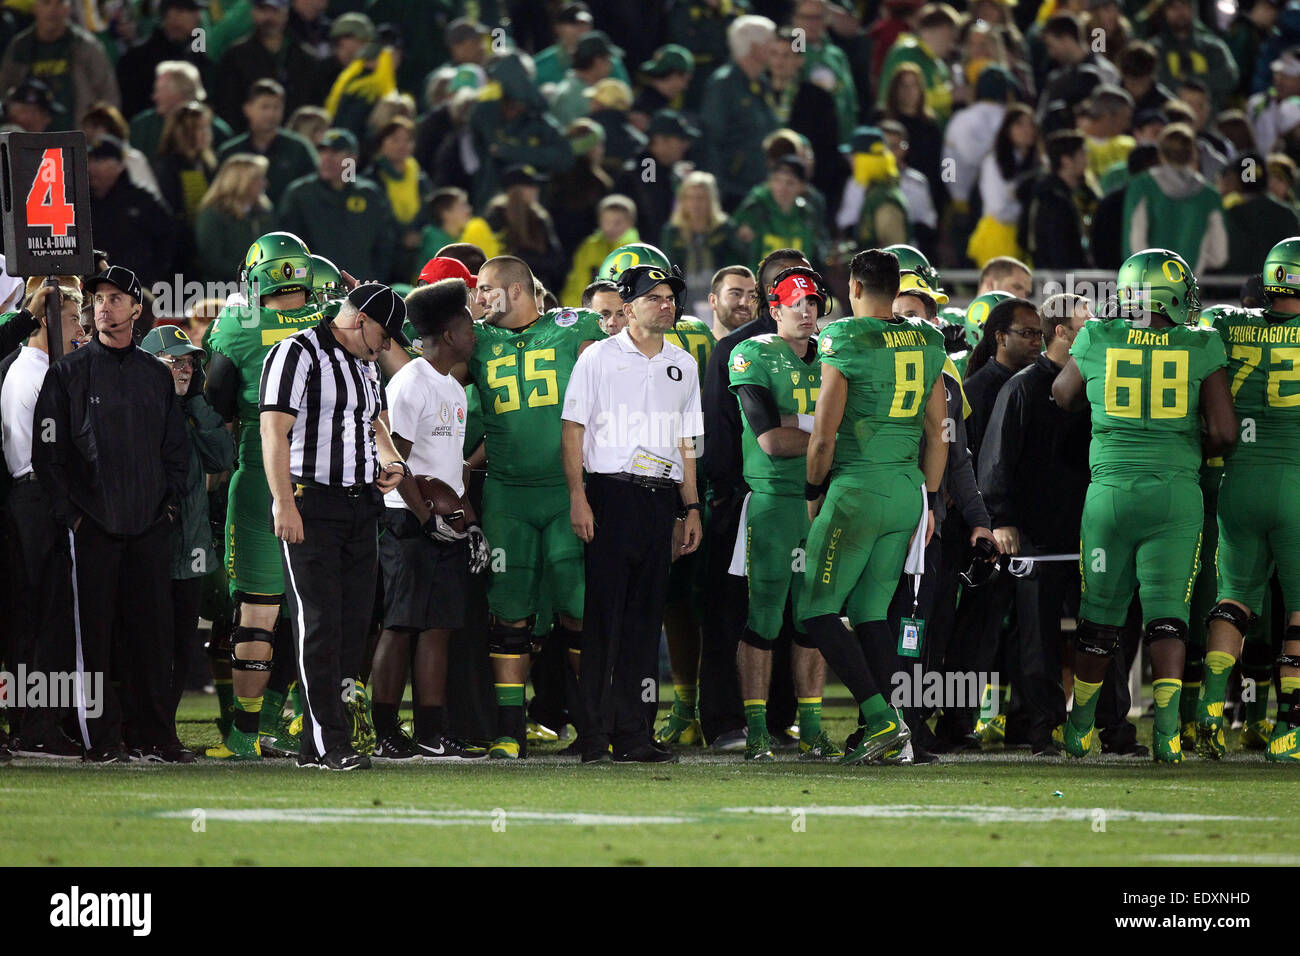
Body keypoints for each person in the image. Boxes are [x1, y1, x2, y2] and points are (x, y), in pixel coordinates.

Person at [1052, 249, 1236, 762]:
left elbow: (1061, 393)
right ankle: (1169, 734)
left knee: (1100, 614)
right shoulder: (1201, 342)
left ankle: (1080, 727)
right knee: (1168, 612)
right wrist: (1177, 439)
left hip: (1110, 493)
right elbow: (1224, 431)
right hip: (1175, 494)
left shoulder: (1098, 337)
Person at [32, 266, 189, 763]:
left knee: (153, 639)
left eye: (117, 298)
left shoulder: (154, 374)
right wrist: (73, 518)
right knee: (92, 642)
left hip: (148, 528)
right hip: (92, 528)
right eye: (98, 298)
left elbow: (175, 451)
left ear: (137, 308)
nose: (104, 306)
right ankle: (100, 740)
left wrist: (165, 511)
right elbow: (47, 452)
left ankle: (157, 737)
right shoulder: (68, 373)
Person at [798, 249, 948, 763]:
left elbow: (823, 437)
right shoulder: (927, 337)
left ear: (854, 288)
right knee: (869, 612)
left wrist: (814, 491)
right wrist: (928, 500)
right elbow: (939, 433)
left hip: (857, 489)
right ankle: (898, 727)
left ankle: (883, 722)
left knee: (816, 611)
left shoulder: (842, 337)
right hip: (907, 490)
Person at [260, 282, 410, 772]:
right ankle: (329, 741)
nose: (386, 347)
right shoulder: (296, 352)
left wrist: (389, 459)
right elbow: (273, 430)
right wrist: (284, 501)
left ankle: (315, 742)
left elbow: (372, 419)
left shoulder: (363, 363)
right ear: (361, 318)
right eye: (385, 335)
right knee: (317, 624)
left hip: (361, 504)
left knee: (349, 627)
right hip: (311, 501)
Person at [462, 256, 605, 759]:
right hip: (506, 492)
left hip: (569, 488)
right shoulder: (476, 339)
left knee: (579, 608)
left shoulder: (575, 327)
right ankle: (509, 731)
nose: (477, 298)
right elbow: (426, 363)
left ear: (516, 290)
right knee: (509, 611)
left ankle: (592, 726)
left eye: (485, 289)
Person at [562, 263, 703, 763]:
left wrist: (691, 507)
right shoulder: (597, 358)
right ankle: (594, 735)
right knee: (604, 619)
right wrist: (578, 496)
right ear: (627, 306)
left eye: (670, 297)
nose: (666, 304)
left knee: (646, 621)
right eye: (654, 296)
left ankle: (635, 735)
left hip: (660, 498)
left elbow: (687, 443)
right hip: (610, 494)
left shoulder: (683, 363)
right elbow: (573, 429)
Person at [202, 232, 327, 761]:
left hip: (262, 475)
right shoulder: (335, 319)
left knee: (257, 608)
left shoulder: (238, 324)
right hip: (329, 476)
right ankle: (289, 718)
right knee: (320, 611)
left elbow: (216, 400)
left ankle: (245, 735)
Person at [370, 279, 489, 761]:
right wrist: (425, 519)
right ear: (448, 331)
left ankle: (430, 731)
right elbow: (394, 461)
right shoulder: (410, 383)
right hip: (406, 523)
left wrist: (472, 523)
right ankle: (383, 729)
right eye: (467, 319)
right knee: (399, 625)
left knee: (438, 627)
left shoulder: (453, 388)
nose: (475, 327)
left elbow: (450, 469)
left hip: (442, 525)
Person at [726, 265, 840, 762]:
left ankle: (811, 728)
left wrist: (803, 424)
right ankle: (756, 730)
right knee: (764, 618)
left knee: (814, 619)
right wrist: (825, 431)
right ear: (773, 309)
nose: (806, 310)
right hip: (774, 503)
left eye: (812, 302)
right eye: (796, 302)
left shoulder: (837, 352)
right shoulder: (751, 352)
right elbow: (770, 439)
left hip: (825, 502)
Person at [699, 248, 810, 750]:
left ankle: (782, 718)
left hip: (806, 497)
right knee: (738, 613)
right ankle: (726, 721)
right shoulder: (740, 349)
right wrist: (722, 495)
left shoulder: (822, 348)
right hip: (748, 497)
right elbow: (718, 430)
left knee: (798, 611)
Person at [977, 294, 1093, 756]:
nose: (1097, 332)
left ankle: (1108, 726)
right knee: (1036, 637)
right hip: (1036, 535)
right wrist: (1002, 519)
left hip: (1090, 533)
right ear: (1062, 333)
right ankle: (1041, 729)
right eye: (1086, 325)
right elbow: (996, 459)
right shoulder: (1023, 388)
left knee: (1103, 632)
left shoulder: (1099, 383)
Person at [1199, 239, 1300, 761]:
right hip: (1296, 480)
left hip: (1239, 480)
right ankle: (1290, 727)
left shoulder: (1224, 324)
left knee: (1234, 600)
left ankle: (1211, 717)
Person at [140, 324, 235, 752]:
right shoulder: (134, 407)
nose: (183, 369)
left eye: (189, 362)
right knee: (143, 640)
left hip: (190, 544)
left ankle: (163, 734)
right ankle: (137, 728)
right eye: (173, 361)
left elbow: (222, 456)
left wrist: (196, 399)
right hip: (147, 542)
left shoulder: (194, 410)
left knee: (181, 642)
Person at [2, 279, 84, 757]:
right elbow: (36, 456)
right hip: (37, 499)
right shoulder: (31, 375)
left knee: (47, 617)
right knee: (39, 617)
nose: (79, 329)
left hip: (37, 499)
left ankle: (40, 722)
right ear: (48, 322)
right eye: (73, 319)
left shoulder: (38, 370)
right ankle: (34, 726)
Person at [276, 128, 396, 283]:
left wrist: (374, 279)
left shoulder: (370, 194)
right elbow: (287, 245)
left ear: (353, 158)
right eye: (323, 152)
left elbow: (385, 243)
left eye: (336, 153)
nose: (327, 159)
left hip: (362, 288)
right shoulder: (300, 194)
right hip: (316, 290)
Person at [1122, 123, 1227, 273]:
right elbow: (1219, 256)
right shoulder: (1210, 195)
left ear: (1161, 153)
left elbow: (1135, 241)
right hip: (1189, 283)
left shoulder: (1142, 187)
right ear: (1193, 153)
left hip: (1148, 281)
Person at [698, 15, 778, 209]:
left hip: (761, 185)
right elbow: (711, 140)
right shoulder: (723, 85)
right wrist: (718, 191)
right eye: (770, 41)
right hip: (733, 190)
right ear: (753, 47)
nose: (775, 47)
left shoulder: (762, 83)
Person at [0, 0, 120, 126]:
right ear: (35, 7)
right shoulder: (19, 47)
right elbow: (4, 94)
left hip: (77, 138)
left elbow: (108, 95)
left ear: (70, 7)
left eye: (60, 2)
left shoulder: (86, 46)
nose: (53, 10)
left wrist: (98, 131)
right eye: (46, 3)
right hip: (27, 140)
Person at [87, 136, 179, 289]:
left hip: (136, 286)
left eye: (101, 161)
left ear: (120, 165)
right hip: (93, 287)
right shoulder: (78, 202)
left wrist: (154, 275)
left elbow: (168, 237)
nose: (92, 167)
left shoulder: (141, 200)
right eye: (89, 160)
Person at [216, 79, 319, 206]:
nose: (271, 114)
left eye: (276, 107)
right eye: (264, 107)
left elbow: (314, 190)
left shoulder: (299, 149)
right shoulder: (231, 152)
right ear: (247, 109)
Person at [660, 172, 735, 320]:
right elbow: (668, 268)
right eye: (690, 198)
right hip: (685, 298)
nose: (695, 203)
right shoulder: (672, 231)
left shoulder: (724, 228)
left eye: (701, 198)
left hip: (718, 297)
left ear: (711, 200)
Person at [194, 153, 273, 284]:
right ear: (241, 182)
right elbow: (213, 262)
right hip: (222, 290)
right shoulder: (213, 215)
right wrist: (252, 272)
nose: (265, 183)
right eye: (258, 179)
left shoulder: (264, 212)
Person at [1020, 130, 1090, 269]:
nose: (1087, 160)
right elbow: (1058, 249)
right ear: (1066, 161)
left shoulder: (1059, 193)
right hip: (1059, 282)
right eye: (1082, 154)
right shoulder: (1052, 199)